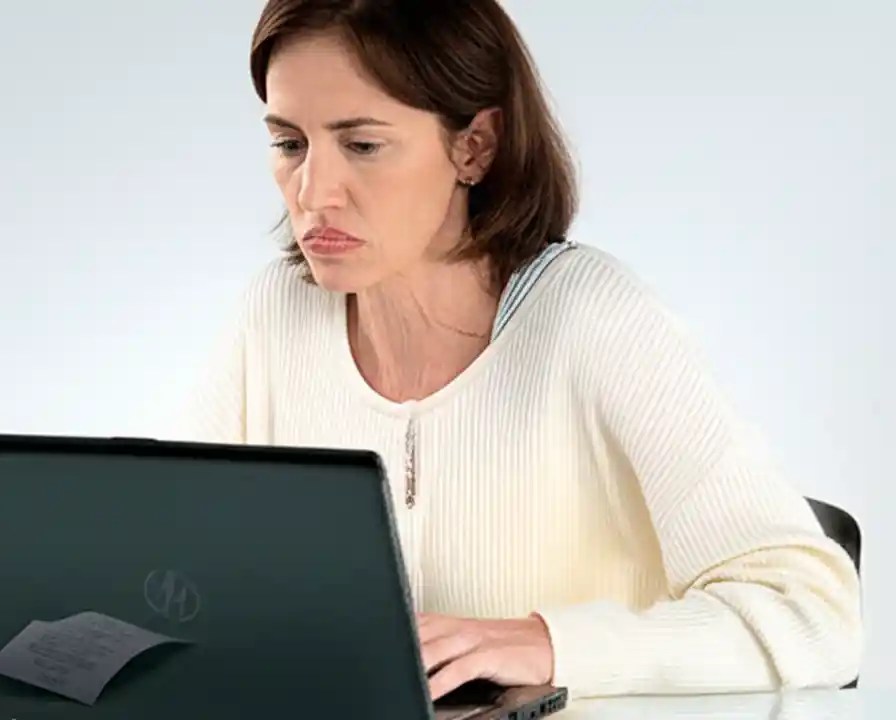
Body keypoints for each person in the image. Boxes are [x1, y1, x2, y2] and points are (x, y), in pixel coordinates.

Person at [176, 0, 864, 703]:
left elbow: (815, 613)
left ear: (473, 146)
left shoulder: (592, 318)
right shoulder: (273, 316)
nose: (314, 192)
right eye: (290, 144)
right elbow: (166, 586)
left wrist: (548, 643)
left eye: (362, 145)